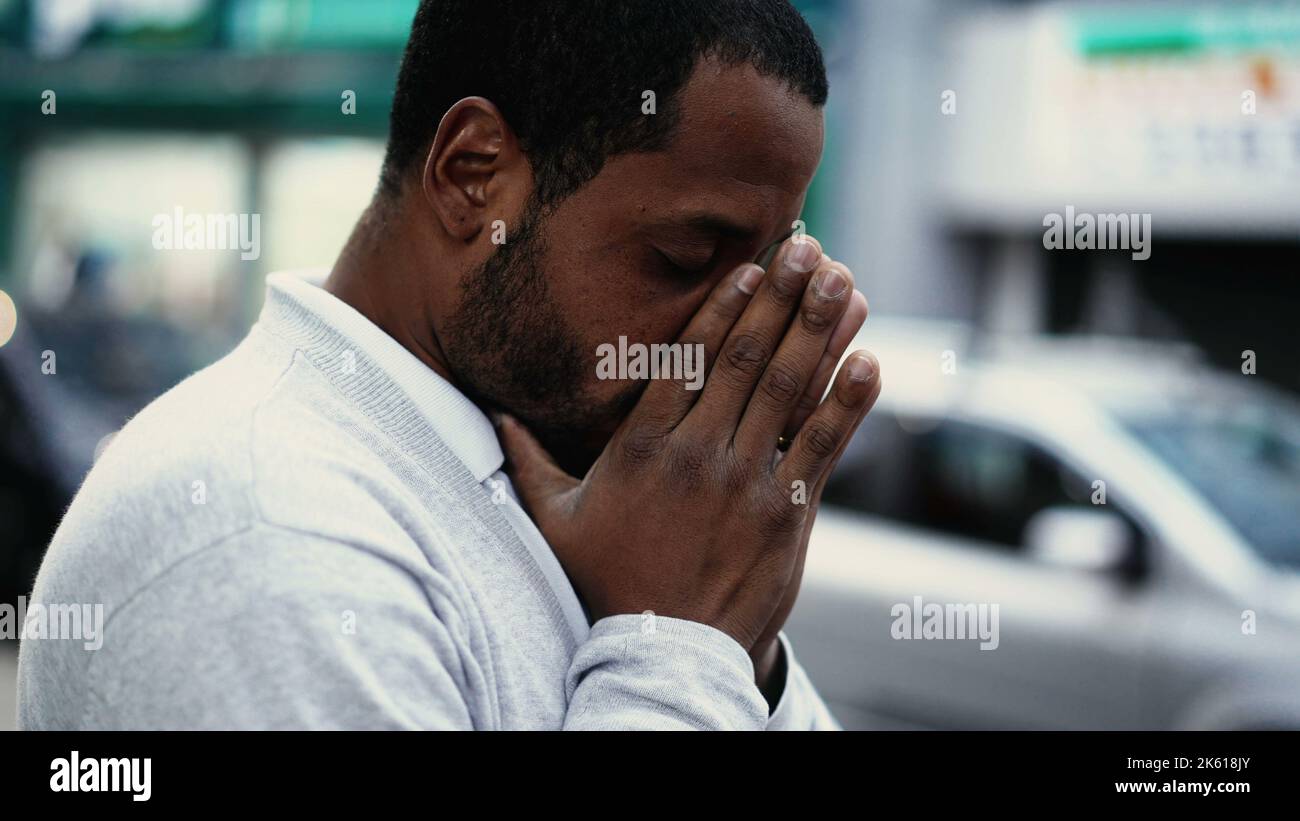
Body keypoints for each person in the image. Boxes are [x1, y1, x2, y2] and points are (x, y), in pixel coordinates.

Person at [18, 0, 880, 730]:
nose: (723, 337)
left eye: (760, 269)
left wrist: (742, 640)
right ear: (473, 175)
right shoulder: (268, 534)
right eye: (685, 257)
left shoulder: (548, 471)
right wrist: (678, 645)